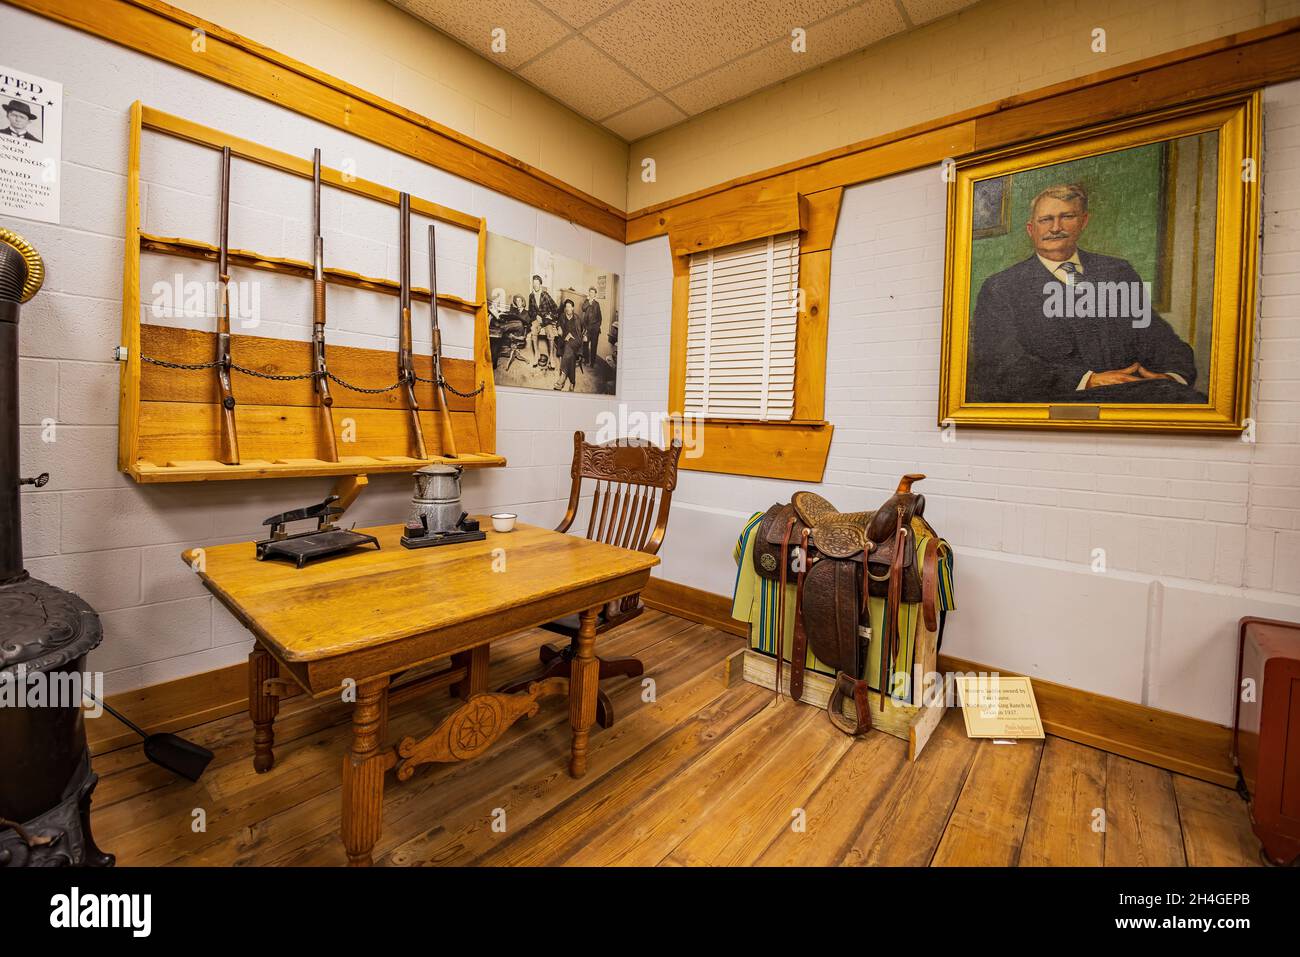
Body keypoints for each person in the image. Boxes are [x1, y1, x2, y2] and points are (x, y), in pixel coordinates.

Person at [967, 183, 1203, 404]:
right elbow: (998, 367)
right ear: (1031, 229)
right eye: (1046, 220)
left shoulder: (1118, 272)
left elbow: (1159, 339)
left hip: (1133, 398)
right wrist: (1088, 380)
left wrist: (1171, 376)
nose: (1055, 228)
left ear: (1084, 221)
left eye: (1067, 217)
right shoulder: (1001, 287)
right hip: (1057, 404)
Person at [527, 274, 558, 368]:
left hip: (546, 320)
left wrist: (549, 316)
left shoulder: (545, 295)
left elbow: (555, 308)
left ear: (540, 284)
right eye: (534, 283)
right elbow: (530, 311)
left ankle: (551, 357)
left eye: (537, 283)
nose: (535, 285)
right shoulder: (531, 296)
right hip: (537, 319)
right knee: (533, 331)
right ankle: (537, 354)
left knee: (551, 334)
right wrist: (535, 316)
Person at [554, 299, 579, 391]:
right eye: (566, 307)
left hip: (575, 341)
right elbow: (558, 323)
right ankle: (572, 381)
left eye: (569, 307)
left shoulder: (577, 318)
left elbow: (579, 334)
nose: (568, 308)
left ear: (573, 308)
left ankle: (563, 376)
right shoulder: (562, 316)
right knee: (571, 356)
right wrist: (559, 327)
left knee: (568, 348)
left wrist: (571, 335)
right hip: (564, 341)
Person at [580, 287, 602, 365]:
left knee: (594, 346)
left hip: (595, 329)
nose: (591, 294)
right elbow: (583, 308)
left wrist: (597, 327)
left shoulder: (597, 304)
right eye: (590, 292)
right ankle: (586, 360)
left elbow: (599, 317)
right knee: (585, 344)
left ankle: (592, 362)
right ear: (589, 293)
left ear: (595, 294)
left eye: (593, 293)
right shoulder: (586, 302)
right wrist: (589, 302)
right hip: (587, 328)